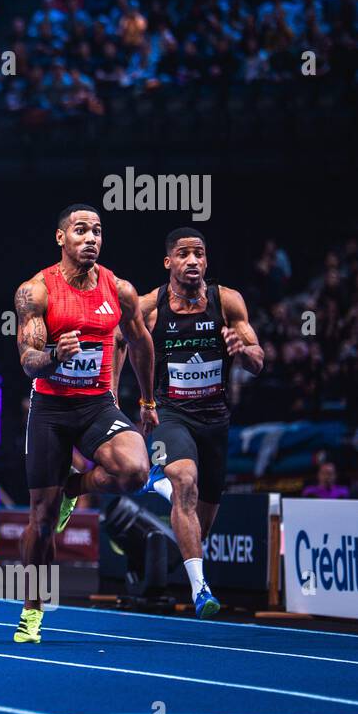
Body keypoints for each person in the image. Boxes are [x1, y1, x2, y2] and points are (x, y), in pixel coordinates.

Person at [13, 203, 155, 643]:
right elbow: (28, 362)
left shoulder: (121, 290)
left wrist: (148, 399)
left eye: (97, 231)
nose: (91, 238)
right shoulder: (35, 292)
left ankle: (76, 485)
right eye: (80, 230)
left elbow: (140, 342)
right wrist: (56, 353)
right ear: (62, 239)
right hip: (51, 410)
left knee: (135, 472)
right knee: (41, 518)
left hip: (96, 406)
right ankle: (33, 609)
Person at [113, 227, 264, 618]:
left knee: (200, 518)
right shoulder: (150, 305)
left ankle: (160, 488)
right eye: (183, 254)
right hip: (170, 414)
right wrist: (115, 396)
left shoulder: (227, 301)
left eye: (199, 254)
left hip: (215, 419)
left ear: (207, 261)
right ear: (169, 262)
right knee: (185, 481)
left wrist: (242, 349)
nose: (193, 260)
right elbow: (117, 339)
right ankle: (201, 591)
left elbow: (259, 360)